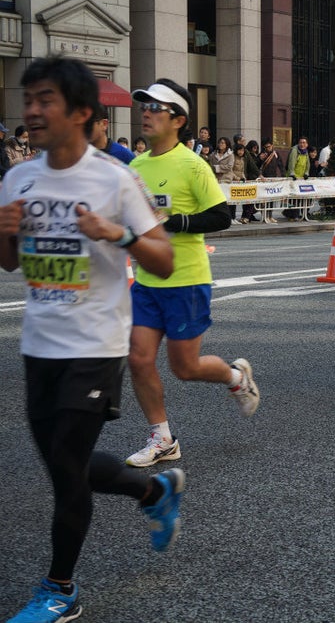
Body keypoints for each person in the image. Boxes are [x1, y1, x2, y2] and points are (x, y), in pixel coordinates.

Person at [0, 55, 182, 623]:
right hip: (40, 344)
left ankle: (61, 589)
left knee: (66, 465)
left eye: (45, 99)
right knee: (63, 465)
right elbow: (9, 264)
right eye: (28, 99)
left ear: (81, 112)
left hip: (96, 344)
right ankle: (154, 492)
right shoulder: (17, 177)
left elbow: (165, 258)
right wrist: (4, 236)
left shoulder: (113, 177)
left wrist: (117, 232)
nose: (31, 111)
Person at [124, 78, 260, 468]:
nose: (146, 114)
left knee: (184, 367)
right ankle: (162, 439)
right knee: (138, 358)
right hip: (148, 280)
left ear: (178, 120)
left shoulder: (191, 164)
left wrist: (176, 222)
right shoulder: (135, 166)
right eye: (144, 107)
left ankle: (236, 377)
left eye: (156, 109)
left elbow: (221, 215)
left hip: (186, 280)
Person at [258, 138, 285, 223]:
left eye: (269, 146)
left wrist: (283, 175)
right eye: (266, 147)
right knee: (264, 199)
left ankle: (270, 216)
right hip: (264, 179)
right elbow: (257, 165)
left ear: (272, 145)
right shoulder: (262, 154)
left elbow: (280, 165)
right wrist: (260, 159)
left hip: (273, 178)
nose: (267, 148)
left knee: (272, 198)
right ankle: (265, 216)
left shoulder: (276, 154)